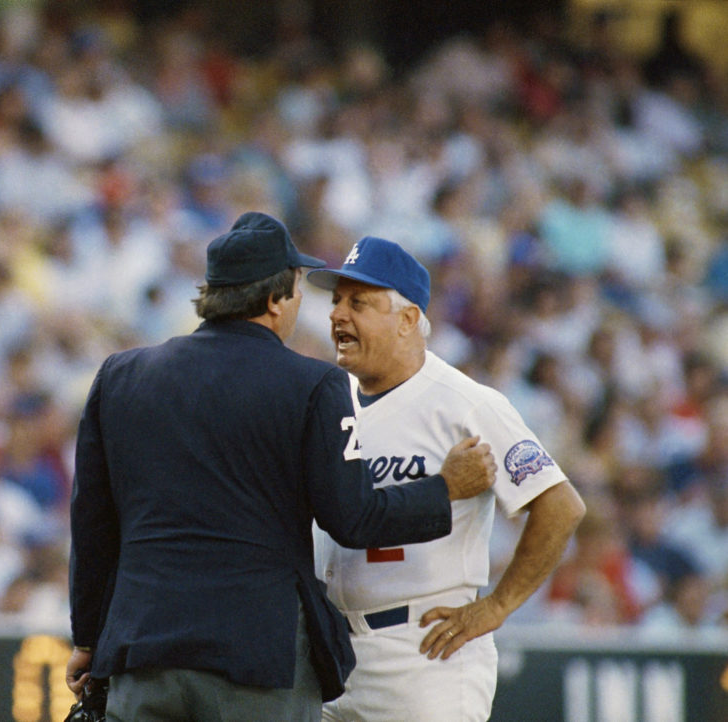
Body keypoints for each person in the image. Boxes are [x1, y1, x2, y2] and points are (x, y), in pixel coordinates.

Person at [65, 212, 497, 721]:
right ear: (274, 301)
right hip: (256, 659)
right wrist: (443, 488)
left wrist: (89, 637)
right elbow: (353, 518)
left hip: (142, 650)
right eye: (296, 289)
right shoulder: (312, 385)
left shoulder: (120, 375)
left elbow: (92, 525)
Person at [306, 236, 587, 722]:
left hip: (426, 651)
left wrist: (497, 606)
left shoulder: (466, 403)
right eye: (335, 301)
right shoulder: (330, 400)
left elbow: (561, 506)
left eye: (359, 303)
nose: (337, 315)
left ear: (408, 320)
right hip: (334, 655)